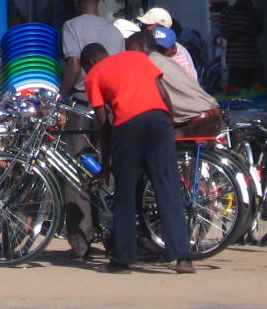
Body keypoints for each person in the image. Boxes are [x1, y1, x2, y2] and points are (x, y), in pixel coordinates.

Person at [82, 42, 193, 274]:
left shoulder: (93, 75)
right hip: (159, 120)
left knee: (125, 192)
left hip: (127, 126)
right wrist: (169, 124)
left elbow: (103, 121)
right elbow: (163, 93)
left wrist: (106, 162)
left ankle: (122, 259)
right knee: (168, 188)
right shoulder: (137, 57)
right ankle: (183, 258)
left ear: (90, 63)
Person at [59, 0, 126, 261]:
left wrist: (60, 98)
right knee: (107, 168)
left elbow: (75, 67)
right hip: (111, 106)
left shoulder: (71, 27)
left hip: (82, 104)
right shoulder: (115, 31)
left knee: (76, 170)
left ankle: (81, 242)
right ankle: (112, 236)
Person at [132, 28, 221, 138]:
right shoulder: (165, 60)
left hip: (196, 118)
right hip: (209, 112)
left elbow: (163, 95)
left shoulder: (148, 62)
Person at [219, 0, 265, 88]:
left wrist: (251, 11)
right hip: (236, 63)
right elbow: (227, 34)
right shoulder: (228, 12)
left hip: (253, 62)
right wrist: (246, 31)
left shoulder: (254, 13)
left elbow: (258, 33)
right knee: (237, 92)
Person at [138, 7, 198, 80]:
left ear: (160, 27)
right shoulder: (148, 47)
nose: (142, 28)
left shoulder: (176, 50)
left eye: (147, 25)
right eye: (143, 25)